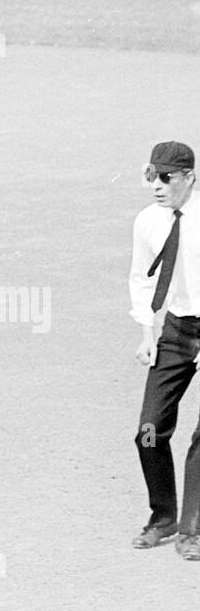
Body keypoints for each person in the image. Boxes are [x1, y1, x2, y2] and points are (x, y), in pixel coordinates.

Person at [131, 141, 200, 559]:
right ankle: (164, 518)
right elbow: (141, 278)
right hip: (175, 327)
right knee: (149, 431)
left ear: (189, 178)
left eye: (166, 178)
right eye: (150, 176)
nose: (156, 186)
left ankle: (194, 530)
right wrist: (146, 333)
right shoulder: (147, 222)